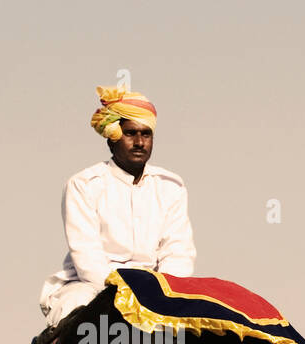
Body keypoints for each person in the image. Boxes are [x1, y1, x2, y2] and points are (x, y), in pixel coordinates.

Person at [39, 85, 196, 327]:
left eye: (146, 134)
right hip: (93, 287)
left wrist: (161, 292)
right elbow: (87, 258)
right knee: (74, 316)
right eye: (130, 133)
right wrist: (126, 296)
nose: (139, 142)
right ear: (112, 140)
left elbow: (178, 251)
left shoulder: (171, 186)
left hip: (157, 289)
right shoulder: (84, 185)